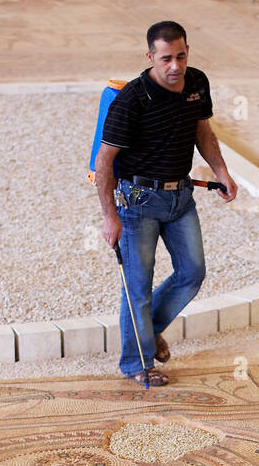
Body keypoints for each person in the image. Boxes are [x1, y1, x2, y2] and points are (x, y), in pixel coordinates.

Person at [95, 20, 237, 387]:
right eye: (165, 59)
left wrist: (222, 172)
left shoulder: (197, 83)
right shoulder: (132, 100)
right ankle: (137, 363)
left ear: (187, 52)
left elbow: (202, 132)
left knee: (193, 272)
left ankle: (147, 332)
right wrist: (109, 217)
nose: (175, 66)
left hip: (181, 197)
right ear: (150, 57)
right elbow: (104, 162)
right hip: (138, 203)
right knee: (137, 287)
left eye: (181, 56)